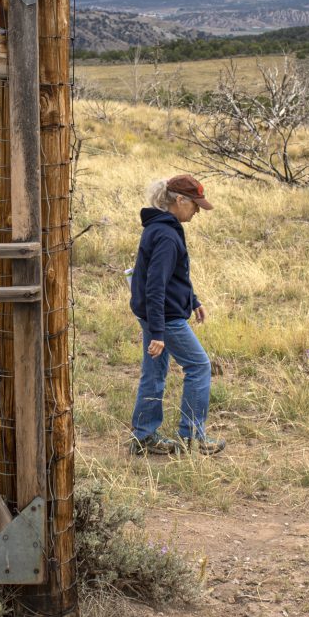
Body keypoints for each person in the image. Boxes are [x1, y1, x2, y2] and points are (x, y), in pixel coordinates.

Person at [128, 174, 223, 456]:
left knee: (154, 373)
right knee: (199, 366)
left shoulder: (160, 228)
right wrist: (158, 332)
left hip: (156, 313)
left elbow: (172, 277)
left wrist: (193, 300)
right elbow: (156, 285)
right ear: (179, 200)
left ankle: (144, 437)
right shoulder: (167, 235)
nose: (197, 211)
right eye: (195, 205)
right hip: (165, 317)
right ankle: (191, 438)